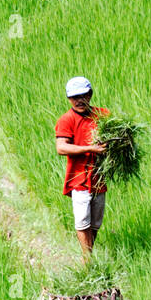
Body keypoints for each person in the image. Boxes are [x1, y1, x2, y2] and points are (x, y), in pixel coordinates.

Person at [55, 77, 108, 262]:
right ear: (69, 99)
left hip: (99, 178)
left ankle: (89, 254)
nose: (79, 101)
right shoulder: (66, 120)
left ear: (90, 95)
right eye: (74, 97)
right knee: (82, 220)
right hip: (78, 179)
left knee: (95, 222)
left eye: (83, 96)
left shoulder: (103, 115)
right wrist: (90, 149)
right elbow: (61, 147)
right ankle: (88, 260)